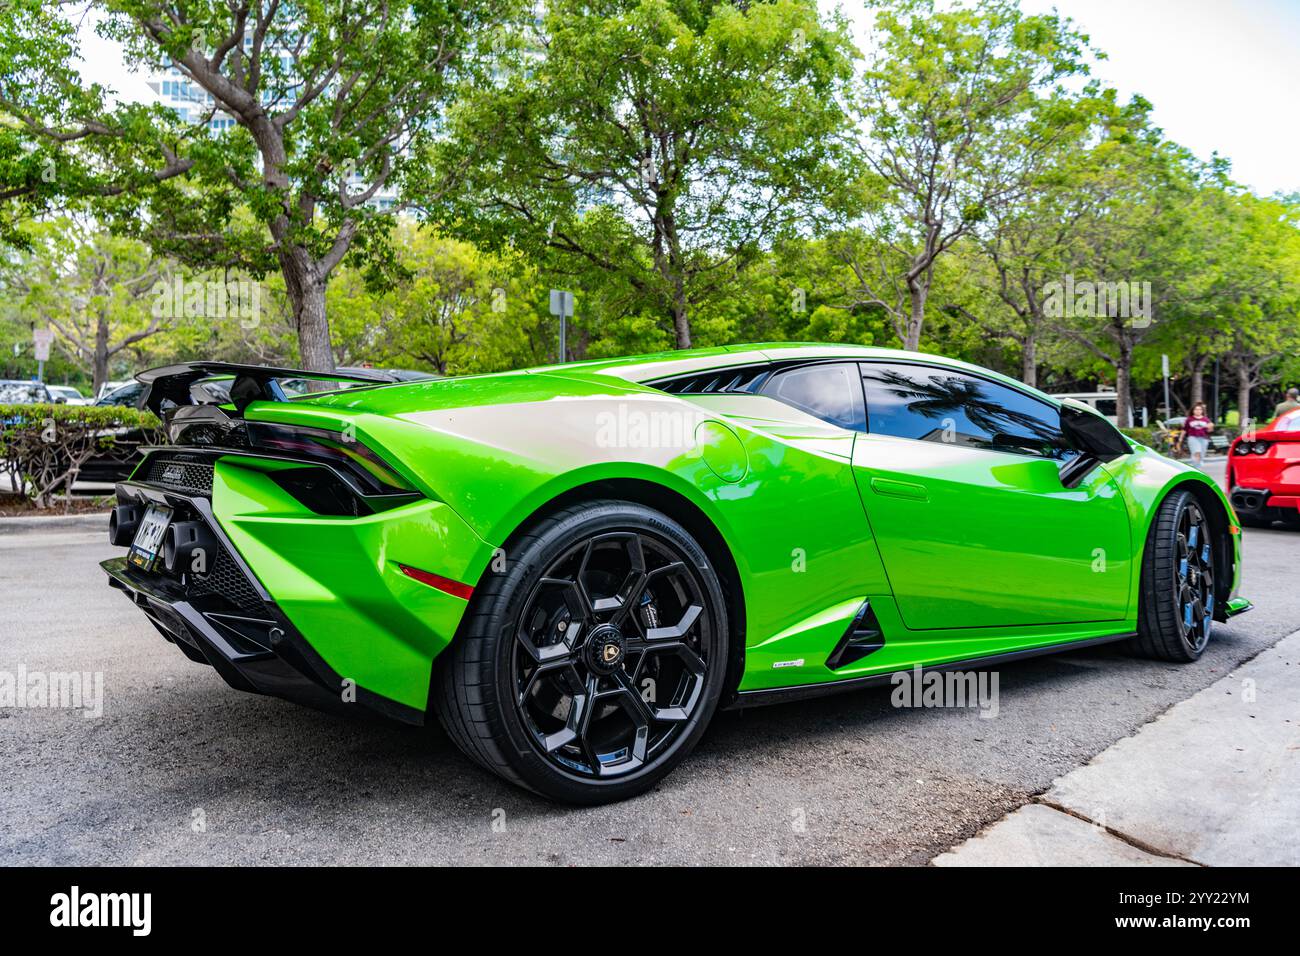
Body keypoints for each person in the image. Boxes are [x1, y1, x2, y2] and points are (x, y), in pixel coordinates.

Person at [1183, 402, 1213, 468]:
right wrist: (1180, 438)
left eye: (1199, 409)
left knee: (1201, 454)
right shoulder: (1189, 419)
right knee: (1197, 452)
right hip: (1193, 438)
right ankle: (1197, 468)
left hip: (1204, 439)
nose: (1198, 411)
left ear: (1202, 411)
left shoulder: (1206, 419)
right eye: (1196, 409)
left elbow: (1210, 430)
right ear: (1193, 411)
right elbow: (1185, 429)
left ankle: (1197, 464)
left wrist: (1210, 427)